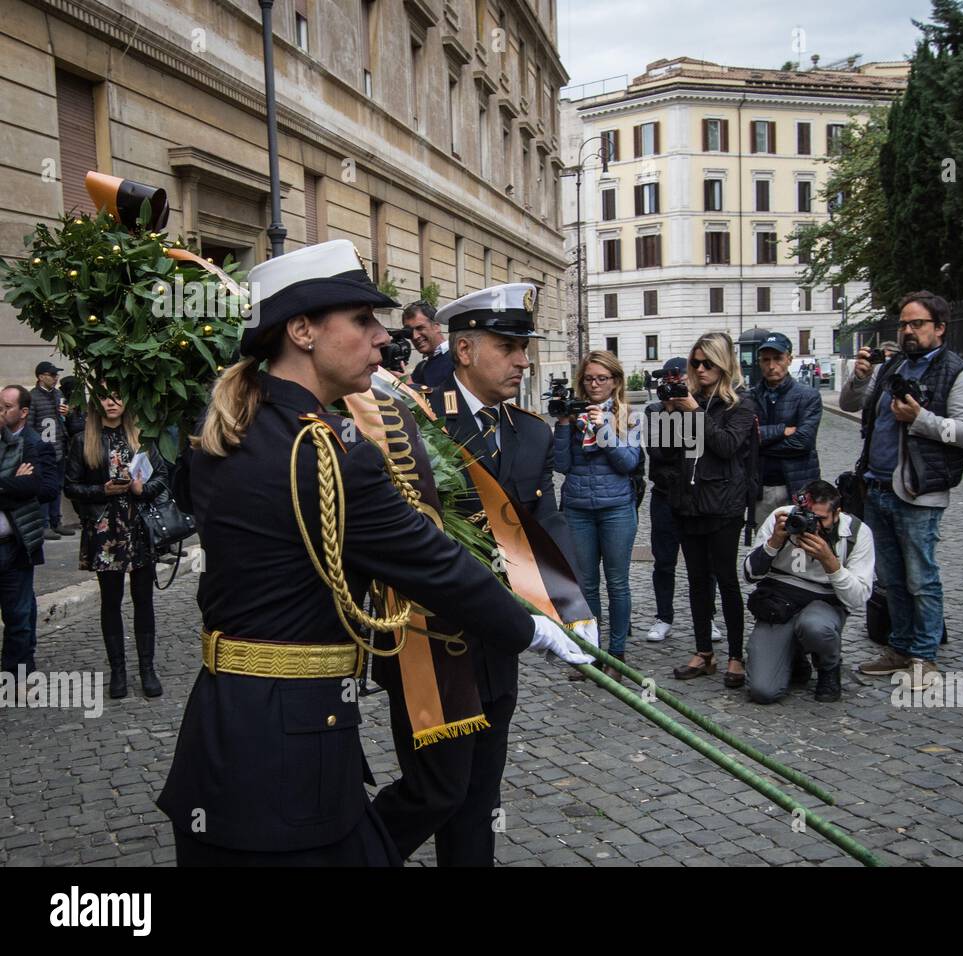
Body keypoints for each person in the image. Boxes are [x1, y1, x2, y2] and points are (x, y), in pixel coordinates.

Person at [157, 242, 586, 866]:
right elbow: (434, 564)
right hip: (294, 757)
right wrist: (531, 628)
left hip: (221, 735)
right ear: (302, 331)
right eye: (361, 320)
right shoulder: (328, 459)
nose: (383, 338)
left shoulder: (228, 434)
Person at [372, 281, 591, 866]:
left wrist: (573, 609)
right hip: (430, 643)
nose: (524, 359)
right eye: (508, 346)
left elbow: (543, 521)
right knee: (434, 790)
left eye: (525, 346)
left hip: (501, 644)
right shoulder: (408, 421)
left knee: (479, 794)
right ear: (464, 351)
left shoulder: (532, 431)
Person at [841, 291, 963, 687]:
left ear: (939, 328)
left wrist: (921, 418)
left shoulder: (957, 372)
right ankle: (899, 647)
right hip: (877, 486)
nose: (907, 331)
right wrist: (862, 375)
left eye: (916, 324)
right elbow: (852, 403)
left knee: (922, 577)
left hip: (919, 491)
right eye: (903, 324)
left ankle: (924, 655)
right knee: (891, 578)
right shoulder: (895, 365)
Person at [660, 331, 758, 689]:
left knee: (727, 581)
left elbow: (727, 446)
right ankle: (704, 651)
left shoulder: (741, 405)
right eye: (695, 363)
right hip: (688, 504)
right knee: (697, 582)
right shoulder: (687, 401)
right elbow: (665, 453)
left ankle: (735, 655)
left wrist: (696, 412)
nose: (700, 370)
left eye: (708, 363)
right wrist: (670, 415)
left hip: (724, 506)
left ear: (724, 365)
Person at [64, 392, 168, 699]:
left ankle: (147, 670)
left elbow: (162, 477)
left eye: (117, 397)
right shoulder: (84, 440)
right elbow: (70, 486)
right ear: (97, 404)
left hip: (138, 527)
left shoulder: (141, 437)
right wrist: (102, 489)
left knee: (143, 599)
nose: (111, 403)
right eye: (104, 398)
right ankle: (118, 672)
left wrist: (141, 488)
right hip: (104, 530)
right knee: (111, 601)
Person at [743, 479, 874, 704]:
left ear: (837, 513)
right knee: (762, 691)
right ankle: (793, 657)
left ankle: (829, 668)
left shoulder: (856, 532)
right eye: (808, 515)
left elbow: (858, 598)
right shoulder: (784, 518)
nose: (812, 524)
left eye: (821, 519)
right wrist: (774, 542)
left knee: (814, 626)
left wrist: (830, 562)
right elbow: (749, 575)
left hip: (824, 605)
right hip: (780, 603)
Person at [554, 350, 640, 679]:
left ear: (615, 381)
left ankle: (616, 655)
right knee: (586, 585)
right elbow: (561, 465)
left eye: (602, 378)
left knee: (617, 584)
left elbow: (628, 463)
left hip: (617, 508)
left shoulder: (628, 415)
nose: (594, 385)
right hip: (577, 507)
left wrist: (604, 429)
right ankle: (590, 651)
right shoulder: (573, 414)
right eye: (589, 379)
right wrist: (564, 426)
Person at [643, 358, 720, 646]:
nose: (676, 388)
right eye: (671, 383)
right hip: (664, 496)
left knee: (702, 564)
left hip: (695, 497)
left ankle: (707, 617)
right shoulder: (654, 409)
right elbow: (659, 453)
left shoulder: (700, 408)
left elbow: (698, 449)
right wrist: (669, 410)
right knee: (663, 562)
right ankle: (664, 617)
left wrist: (687, 412)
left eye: (681, 382)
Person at [2, 385, 59, 666]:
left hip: (18, 540)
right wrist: (15, 483)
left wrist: (17, 488)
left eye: (6, 407)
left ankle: (19, 672)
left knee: (19, 613)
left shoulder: (36, 443)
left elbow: (47, 487)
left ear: (23, 412)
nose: (0, 411)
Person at [753, 332, 823, 526]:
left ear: (789, 359)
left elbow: (802, 442)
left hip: (798, 487)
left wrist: (760, 444)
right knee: (766, 544)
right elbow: (745, 438)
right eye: (766, 360)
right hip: (762, 487)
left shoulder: (808, 396)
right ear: (759, 362)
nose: (771, 365)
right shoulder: (750, 397)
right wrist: (782, 430)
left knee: (800, 546)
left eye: (777, 358)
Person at [0, 402, 43, 677]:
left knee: (18, 617)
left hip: (12, 545)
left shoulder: (21, 444)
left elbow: (32, 485)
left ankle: (15, 677)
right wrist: (9, 482)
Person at [30, 361, 71, 540]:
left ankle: (56, 522)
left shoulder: (58, 394)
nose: (55, 378)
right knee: (45, 487)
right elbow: (30, 425)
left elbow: (62, 420)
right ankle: (44, 524)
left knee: (58, 486)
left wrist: (66, 414)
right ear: (40, 377)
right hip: (43, 450)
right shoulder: (32, 397)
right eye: (52, 375)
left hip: (59, 446)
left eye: (56, 375)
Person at [403, 299, 453, 390]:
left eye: (420, 328)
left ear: (436, 326)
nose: (415, 336)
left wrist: (413, 387)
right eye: (409, 332)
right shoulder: (421, 368)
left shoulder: (459, 359)